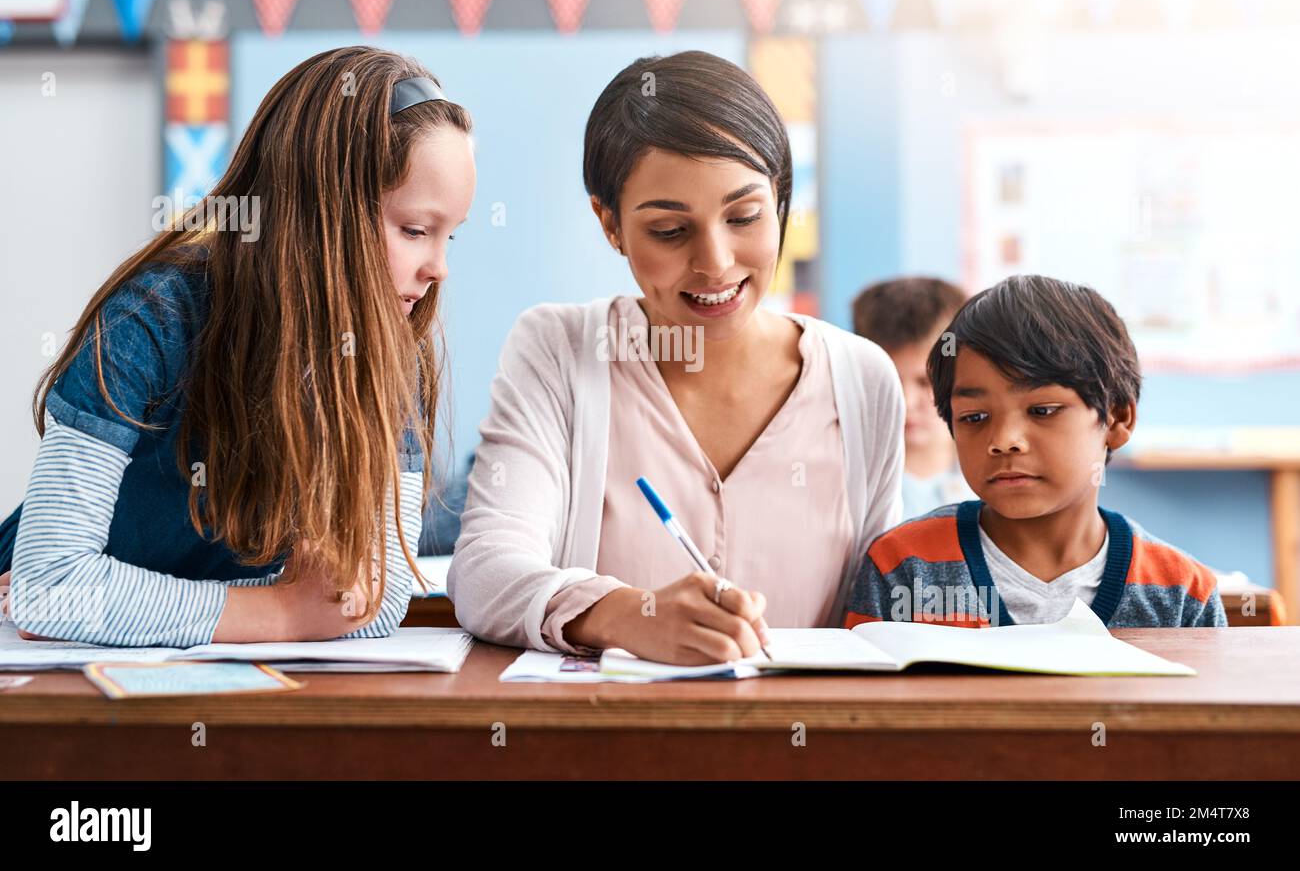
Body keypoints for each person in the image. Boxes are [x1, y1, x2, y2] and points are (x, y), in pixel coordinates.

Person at [0, 45, 476, 646]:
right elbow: (49, 590)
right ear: (318, 214)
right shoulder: (150, 321)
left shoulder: (386, 341)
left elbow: (376, 601)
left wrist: (123, 598)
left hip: (206, 665)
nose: (439, 267)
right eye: (414, 230)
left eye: (449, 236)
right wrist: (287, 611)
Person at [448, 50, 905, 665]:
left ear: (781, 204)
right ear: (609, 224)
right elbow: (485, 573)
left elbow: (877, 617)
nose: (715, 261)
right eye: (669, 231)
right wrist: (627, 616)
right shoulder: (560, 350)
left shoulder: (863, 379)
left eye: (744, 216)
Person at [843, 275, 1227, 629]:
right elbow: (861, 704)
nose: (1004, 440)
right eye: (975, 417)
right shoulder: (902, 569)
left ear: (1117, 419)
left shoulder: (1183, 594)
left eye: (1042, 411)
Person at [852, 276, 975, 518]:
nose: (906, 403)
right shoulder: (846, 481)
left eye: (926, 382)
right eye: (888, 380)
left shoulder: (996, 474)